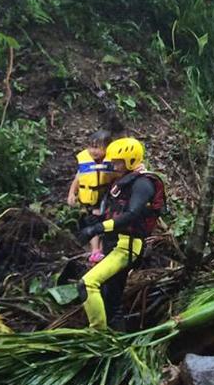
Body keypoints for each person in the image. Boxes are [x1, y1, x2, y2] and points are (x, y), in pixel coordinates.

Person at [76, 137, 166, 330]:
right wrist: (96, 221)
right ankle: (117, 337)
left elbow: (132, 214)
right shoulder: (122, 184)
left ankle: (98, 333)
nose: (114, 165)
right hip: (113, 244)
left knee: (87, 284)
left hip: (126, 246)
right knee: (111, 298)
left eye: (118, 162)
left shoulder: (142, 184)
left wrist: (98, 228)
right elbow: (116, 213)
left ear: (130, 161)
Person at [67, 130, 115, 264]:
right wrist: (71, 194)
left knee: (104, 223)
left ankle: (102, 250)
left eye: (98, 147)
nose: (93, 151)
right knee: (92, 222)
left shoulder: (112, 161)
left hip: (106, 198)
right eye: (91, 147)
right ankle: (95, 250)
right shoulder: (85, 162)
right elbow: (78, 179)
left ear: (107, 148)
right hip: (90, 199)